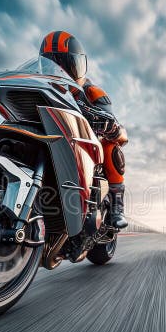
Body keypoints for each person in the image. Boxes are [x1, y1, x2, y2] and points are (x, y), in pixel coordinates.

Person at [39, 31, 128, 228]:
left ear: (76, 65)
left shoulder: (92, 93)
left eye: (64, 64)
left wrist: (110, 127)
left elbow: (114, 125)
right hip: (52, 139)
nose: (59, 70)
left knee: (111, 146)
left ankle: (116, 208)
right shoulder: (39, 88)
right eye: (51, 63)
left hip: (85, 146)